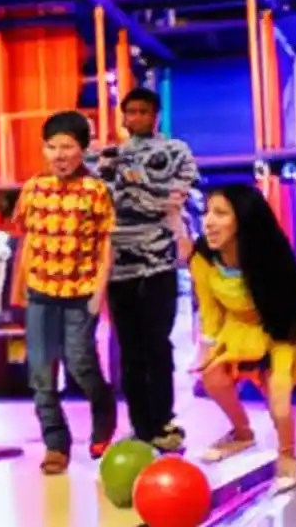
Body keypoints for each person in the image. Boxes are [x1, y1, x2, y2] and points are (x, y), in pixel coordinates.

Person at [179, 183, 296, 493]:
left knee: (279, 401)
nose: (209, 222)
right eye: (207, 213)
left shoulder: (271, 257)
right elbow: (210, 308)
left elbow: (290, 313)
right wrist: (207, 348)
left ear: (243, 219)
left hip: (279, 331)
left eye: (220, 214)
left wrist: (274, 363)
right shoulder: (203, 257)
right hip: (236, 329)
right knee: (212, 377)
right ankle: (242, 434)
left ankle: (287, 457)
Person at [92, 87, 199, 453]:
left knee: (157, 344)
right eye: (130, 112)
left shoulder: (175, 151)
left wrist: (140, 193)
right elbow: (103, 205)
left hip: (159, 263)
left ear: (156, 115)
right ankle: (140, 425)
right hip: (120, 267)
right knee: (130, 350)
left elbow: (176, 198)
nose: (135, 118)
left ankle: (163, 419)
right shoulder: (110, 157)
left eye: (143, 112)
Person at [12, 110, 117, 475]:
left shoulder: (96, 192)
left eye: (67, 146)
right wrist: (20, 287)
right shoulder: (32, 189)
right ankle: (56, 444)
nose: (59, 154)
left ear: (82, 149)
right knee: (40, 372)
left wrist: (98, 292)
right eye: (52, 147)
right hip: (40, 291)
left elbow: (106, 245)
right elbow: (27, 239)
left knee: (81, 363)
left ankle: (104, 413)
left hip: (80, 291)